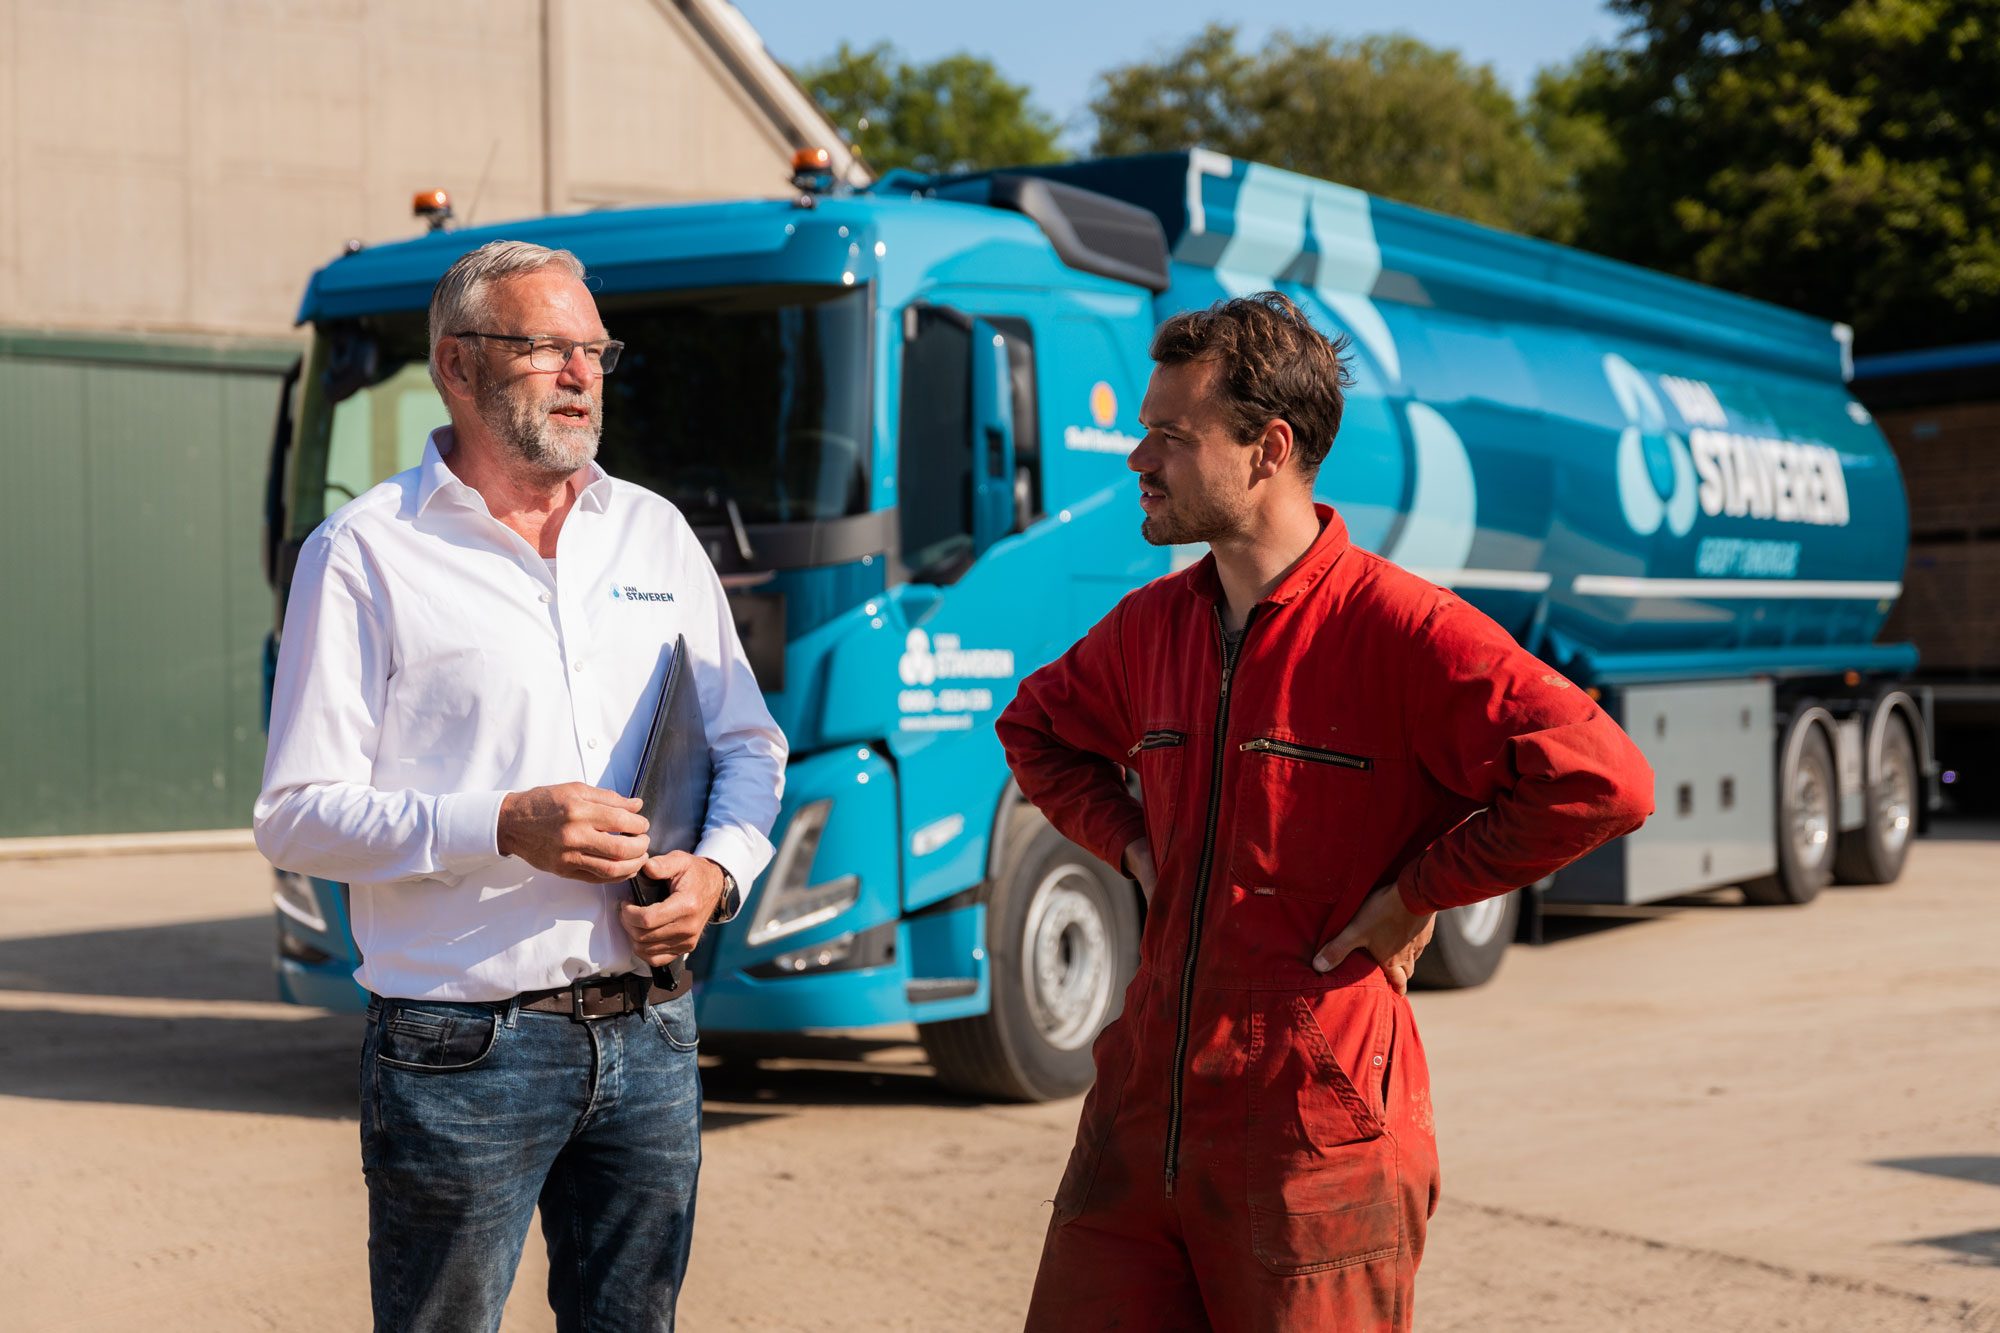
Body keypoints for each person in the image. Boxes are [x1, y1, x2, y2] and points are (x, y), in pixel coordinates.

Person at [995, 292, 1655, 1331]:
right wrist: (1129, 845)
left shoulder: (1401, 630)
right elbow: (1033, 730)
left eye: (1170, 434)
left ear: (1267, 448)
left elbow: (1601, 779)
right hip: (1135, 1125)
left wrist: (1416, 892)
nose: (1137, 456)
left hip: (1315, 1141)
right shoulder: (1146, 629)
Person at [255, 240, 785, 1332]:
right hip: (460, 1052)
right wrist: (503, 824)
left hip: (654, 1033)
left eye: (595, 349)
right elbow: (296, 812)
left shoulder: (654, 533)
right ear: (457, 364)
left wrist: (718, 873)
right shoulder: (364, 552)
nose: (582, 373)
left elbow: (750, 745)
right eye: (548, 346)